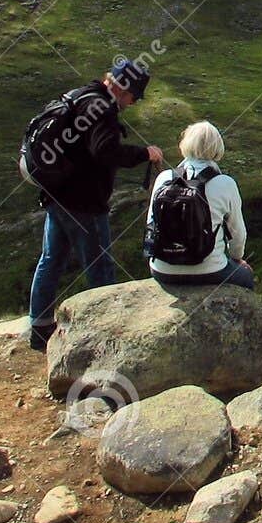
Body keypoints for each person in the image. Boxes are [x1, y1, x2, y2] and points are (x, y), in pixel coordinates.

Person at [27, 57, 163, 350]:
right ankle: (108, 338)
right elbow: (105, 152)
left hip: (56, 195)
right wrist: (143, 154)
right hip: (84, 203)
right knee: (100, 268)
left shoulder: (81, 95)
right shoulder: (102, 110)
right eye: (133, 96)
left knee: (51, 260)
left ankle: (39, 330)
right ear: (122, 89)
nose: (133, 102)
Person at [145, 120, 253, 289]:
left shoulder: (164, 178)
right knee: (246, 276)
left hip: (161, 269)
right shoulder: (225, 183)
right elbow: (238, 233)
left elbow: (151, 223)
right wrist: (236, 258)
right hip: (211, 270)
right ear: (218, 147)